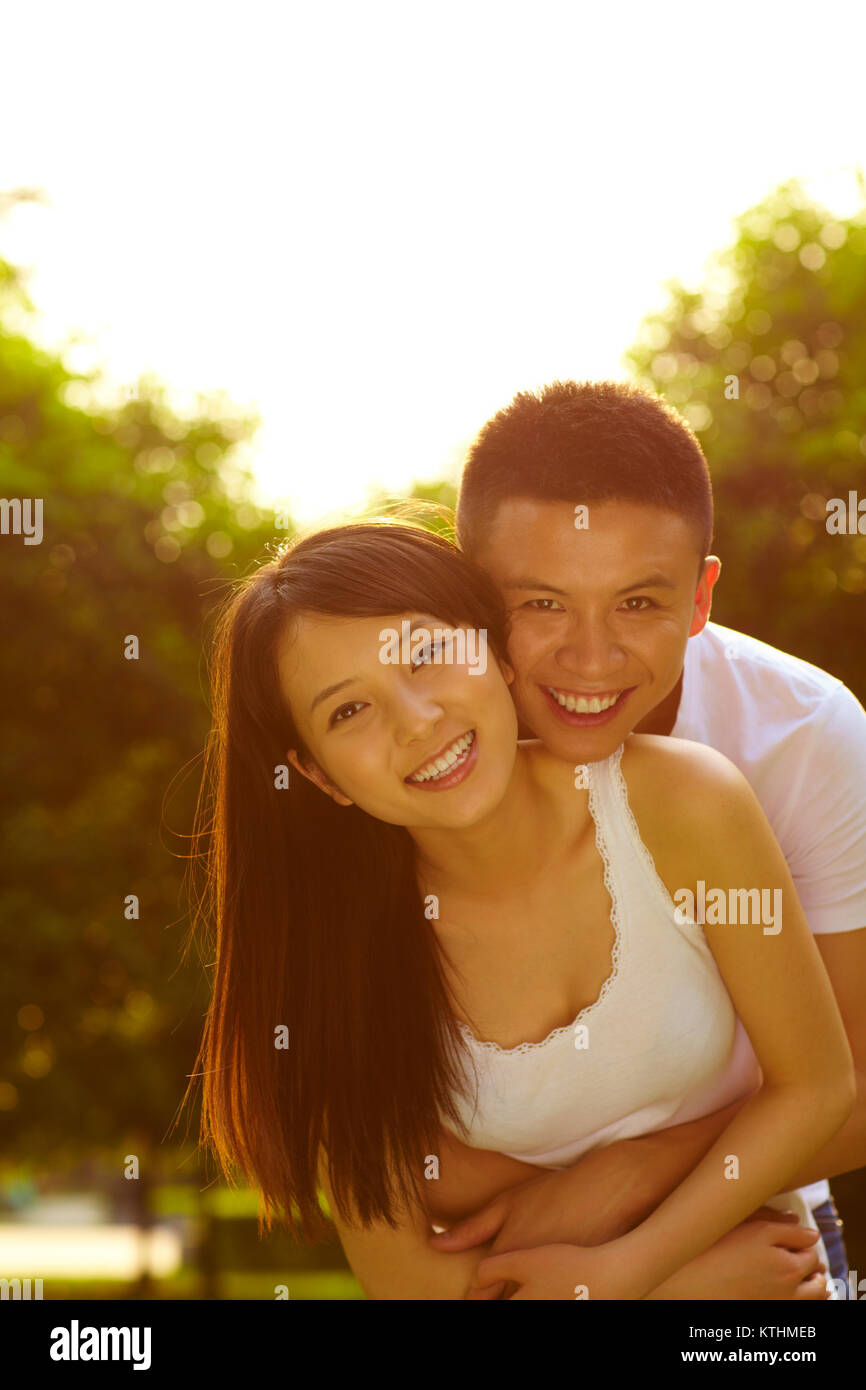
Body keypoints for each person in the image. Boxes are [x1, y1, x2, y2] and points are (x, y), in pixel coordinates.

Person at [184, 517, 854, 1300]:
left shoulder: (686, 804)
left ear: (496, 651)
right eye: (348, 713)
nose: (417, 719)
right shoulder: (336, 959)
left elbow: (817, 1088)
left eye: (427, 655)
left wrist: (627, 1251)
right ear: (320, 775)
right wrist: (671, 1285)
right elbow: (416, 1289)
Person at [429, 378, 866, 1299]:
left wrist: (621, 1190)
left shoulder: (806, 736)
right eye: (541, 604)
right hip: (498, 1248)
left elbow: (855, 1085)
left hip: (755, 1230)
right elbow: (368, 1137)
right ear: (466, 594)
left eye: (638, 603)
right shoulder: (419, 753)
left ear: (703, 595)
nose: (592, 659)